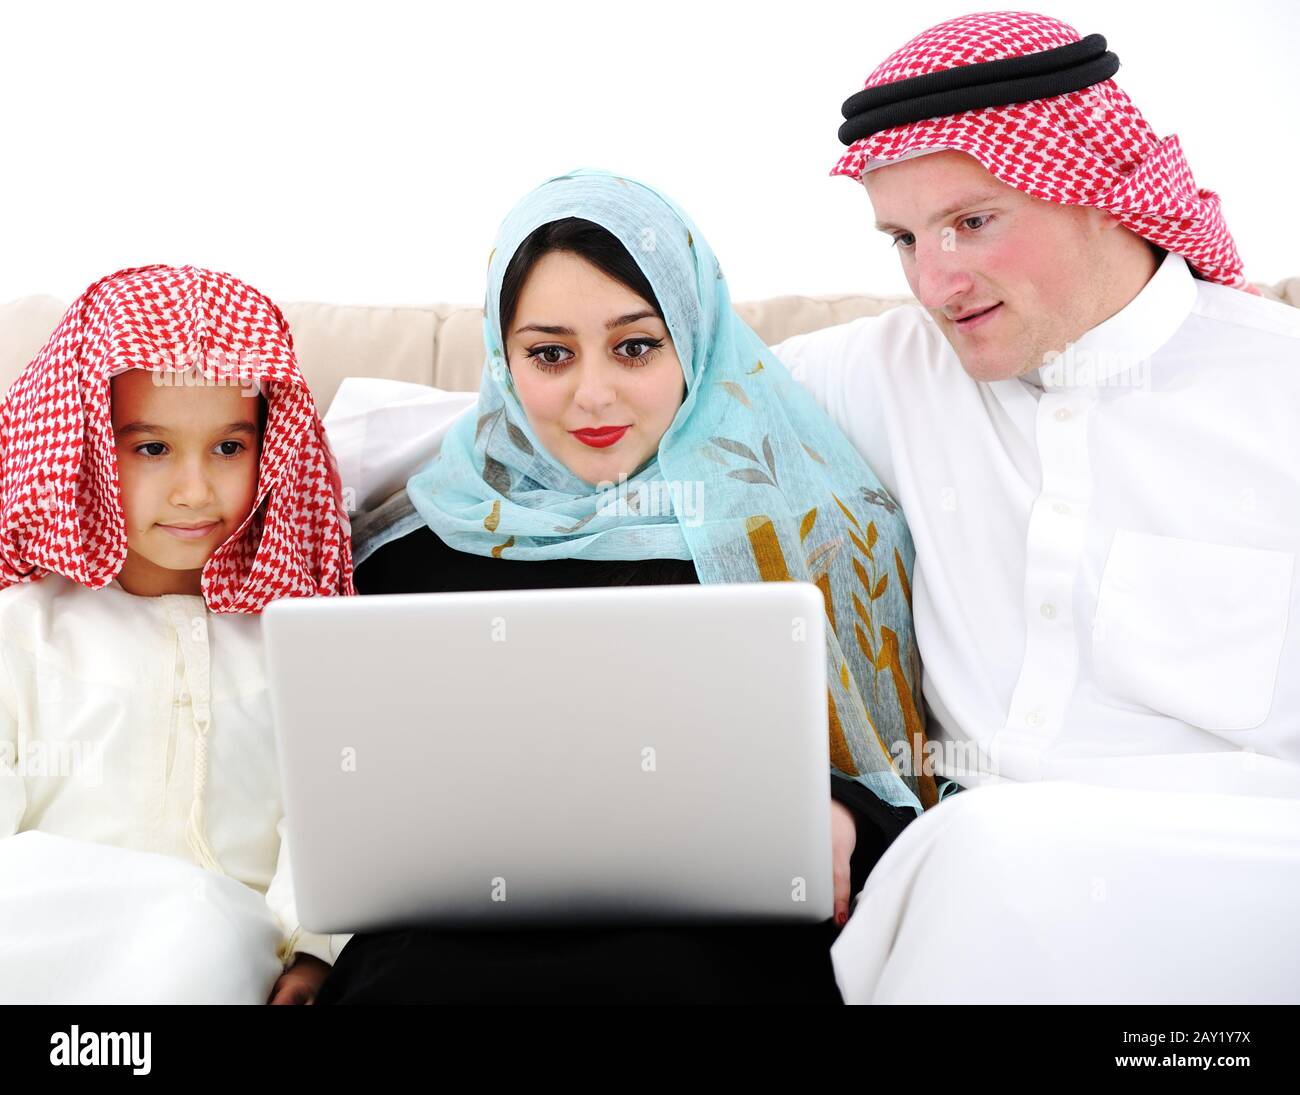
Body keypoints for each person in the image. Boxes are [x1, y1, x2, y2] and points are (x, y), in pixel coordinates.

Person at [765, 11, 1300, 1002]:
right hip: (983, 878)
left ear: (1097, 190)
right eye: (903, 239)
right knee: (981, 849)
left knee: (988, 850)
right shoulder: (888, 370)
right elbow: (626, 404)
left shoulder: (1281, 390)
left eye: (972, 221)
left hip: (1250, 877)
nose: (935, 280)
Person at [317, 168, 935, 1004]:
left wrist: (843, 819)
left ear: (696, 340)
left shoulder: (806, 530)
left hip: (709, 939)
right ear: (503, 363)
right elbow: (355, 808)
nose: (593, 393)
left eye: (636, 345)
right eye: (549, 354)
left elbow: (906, 789)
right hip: (454, 939)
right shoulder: (412, 547)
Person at [0, 264, 355, 1004]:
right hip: (50, 931)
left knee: (198, 930)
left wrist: (314, 953)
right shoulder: (23, 629)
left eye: (229, 447)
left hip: (222, 950)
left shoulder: (301, 644)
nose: (195, 490)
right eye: (151, 448)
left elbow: (330, 820)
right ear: (87, 452)